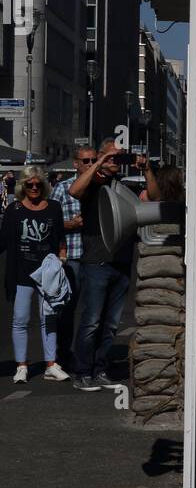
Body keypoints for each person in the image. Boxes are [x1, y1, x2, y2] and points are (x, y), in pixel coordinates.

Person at [69, 139, 136, 393]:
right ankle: (83, 372)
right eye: (112, 158)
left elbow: (153, 196)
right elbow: (74, 191)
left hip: (121, 261)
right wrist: (99, 162)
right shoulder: (94, 185)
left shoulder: (123, 186)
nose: (116, 162)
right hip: (97, 261)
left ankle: (100, 368)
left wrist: (147, 168)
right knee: (92, 321)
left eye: (120, 158)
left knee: (110, 324)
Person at [0, 166, 68, 383]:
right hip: (21, 272)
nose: (34, 187)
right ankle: (21, 366)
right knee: (20, 319)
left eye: (38, 184)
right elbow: (3, 240)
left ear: (44, 186)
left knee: (48, 318)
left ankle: (51, 364)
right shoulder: (14, 210)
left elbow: (60, 236)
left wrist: (62, 255)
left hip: (47, 273)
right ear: (23, 186)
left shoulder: (54, 208)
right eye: (30, 184)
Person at [50, 144, 95, 370]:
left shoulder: (100, 188)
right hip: (73, 257)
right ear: (75, 164)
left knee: (93, 311)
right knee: (68, 309)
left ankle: (87, 355)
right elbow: (51, 223)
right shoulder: (62, 188)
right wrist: (72, 224)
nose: (89, 165)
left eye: (92, 160)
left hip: (96, 258)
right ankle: (63, 353)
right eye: (85, 161)